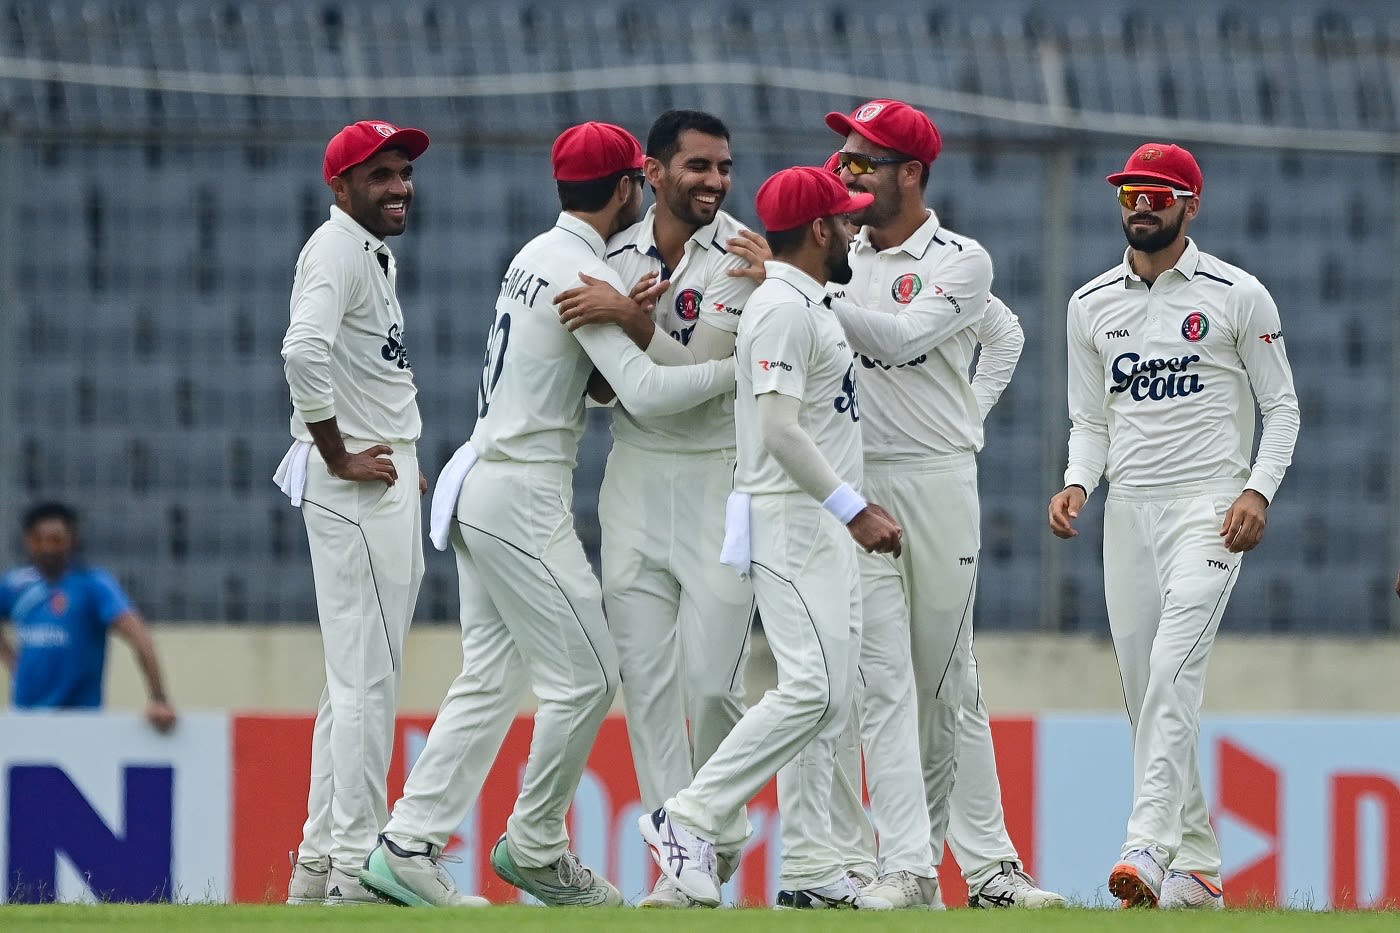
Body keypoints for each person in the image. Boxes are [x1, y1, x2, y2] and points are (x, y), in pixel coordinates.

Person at [356, 121, 737, 909]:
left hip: (483, 481)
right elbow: (646, 392)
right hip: (522, 494)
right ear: (630, 187)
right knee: (591, 676)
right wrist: (752, 363)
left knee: (492, 679)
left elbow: (592, 383)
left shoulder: (539, 254)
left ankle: (406, 845)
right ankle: (535, 845)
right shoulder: (581, 272)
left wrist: (625, 319)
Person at [640, 165, 902, 911]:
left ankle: (814, 861)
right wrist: (856, 508)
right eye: (845, 220)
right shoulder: (783, 309)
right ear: (820, 230)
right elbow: (781, 430)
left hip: (818, 521)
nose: (856, 229)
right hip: (793, 520)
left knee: (829, 699)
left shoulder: (801, 299)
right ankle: (687, 815)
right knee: (813, 688)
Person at [1048, 142, 1299, 909]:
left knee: (1170, 672)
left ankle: (1146, 847)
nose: (1142, 204)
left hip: (1209, 508)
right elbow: (1090, 417)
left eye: (1159, 193)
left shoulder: (1237, 293)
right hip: (1129, 511)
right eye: (1131, 192)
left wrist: (1256, 491)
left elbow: (1281, 406)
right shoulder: (1090, 303)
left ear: (1192, 204)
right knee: (1141, 685)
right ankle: (1197, 870)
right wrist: (1077, 481)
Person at [820, 144, 1063, 909]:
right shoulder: (836, 253)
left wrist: (966, 421)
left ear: (911, 172)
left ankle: (989, 870)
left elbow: (988, 337)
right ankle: (909, 865)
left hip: (939, 482)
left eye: (866, 162)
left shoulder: (961, 259)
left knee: (946, 682)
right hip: (859, 488)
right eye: (845, 160)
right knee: (885, 680)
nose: (850, 172)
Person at [553, 109, 763, 908]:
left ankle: (719, 829)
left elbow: (722, 367)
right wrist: (621, 333)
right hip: (634, 477)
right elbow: (604, 386)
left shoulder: (745, 257)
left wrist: (635, 323)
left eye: (724, 167)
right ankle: (685, 860)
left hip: (718, 476)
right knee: (646, 684)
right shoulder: (608, 252)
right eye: (698, 166)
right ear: (653, 171)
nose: (714, 181)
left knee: (712, 684)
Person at [277, 119, 431, 906]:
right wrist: (340, 452)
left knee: (352, 682)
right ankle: (357, 863)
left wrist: (402, 447)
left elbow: (364, 364)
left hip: (378, 471)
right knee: (368, 682)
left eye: (403, 172)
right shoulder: (337, 249)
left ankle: (316, 862)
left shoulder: (366, 249)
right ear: (340, 186)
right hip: (356, 482)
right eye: (381, 175)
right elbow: (301, 350)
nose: (400, 186)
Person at [0, 502, 176, 732]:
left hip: (81, 722)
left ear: (72, 540)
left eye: (56, 539)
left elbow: (137, 634)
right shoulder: (16, 584)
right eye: (38, 539)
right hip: (26, 718)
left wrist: (159, 699)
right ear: (28, 541)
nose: (47, 548)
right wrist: (11, 659)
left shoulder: (93, 585)